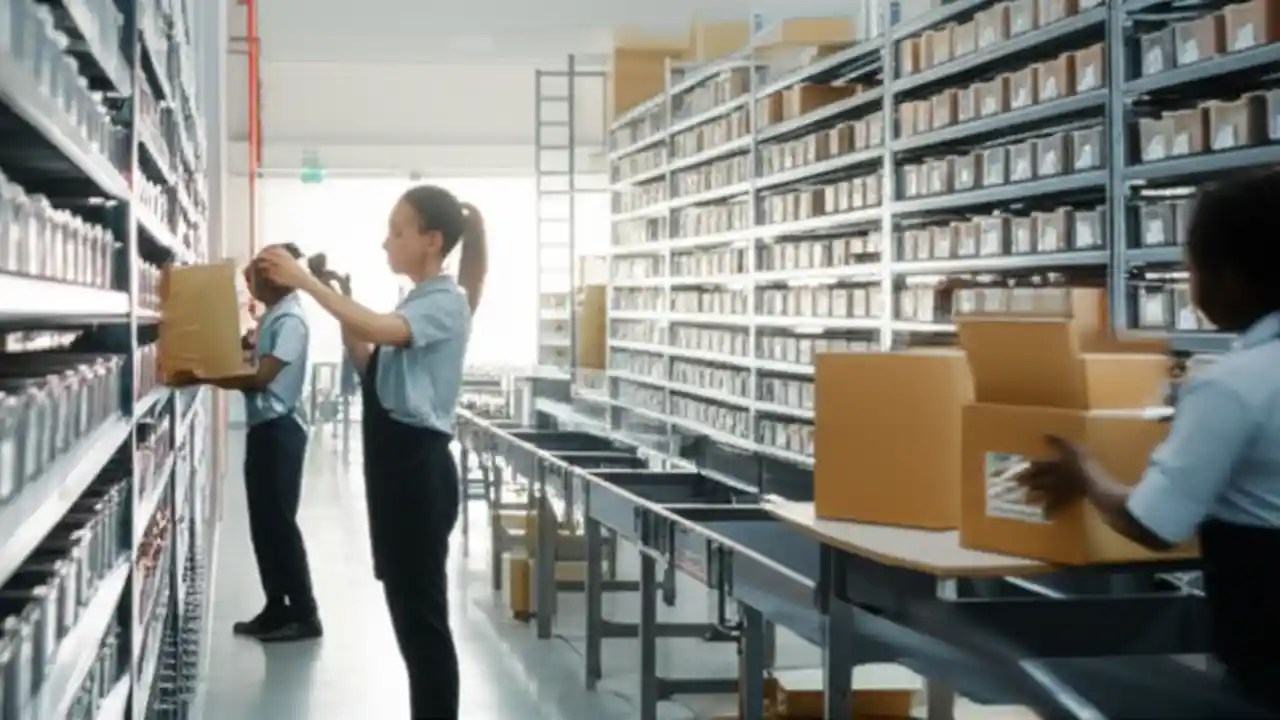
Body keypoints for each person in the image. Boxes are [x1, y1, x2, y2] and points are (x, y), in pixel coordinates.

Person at [1019, 169, 1280, 711]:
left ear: (1226, 278)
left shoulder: (1231, 385)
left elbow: (1152, 524)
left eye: (1190, 266)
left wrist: (1085, 473)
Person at [256, 185, 486, 719]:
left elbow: (382, 331)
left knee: (423, 624)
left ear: (432, 241)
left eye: (397, 231)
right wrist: (340, 300)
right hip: (396, 474)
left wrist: (308, 284)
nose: (387, 243)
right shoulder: (419, 300)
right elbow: (370, 363)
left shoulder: (445, 304)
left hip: (417, 475)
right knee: (409, 618)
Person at [173, 242, 321, 642]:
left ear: (275, 278)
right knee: (263, 524)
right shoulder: (273, 316)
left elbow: (260, 378)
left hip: (280, 432)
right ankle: (276, 607)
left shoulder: (291, 320)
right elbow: (250, 362)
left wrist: (201, 376)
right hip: (264, 430)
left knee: (281, 525)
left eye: (256, 272)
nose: (248, 279)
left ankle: (306, 615)